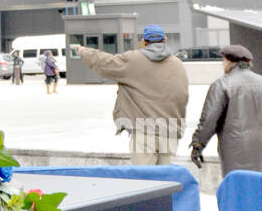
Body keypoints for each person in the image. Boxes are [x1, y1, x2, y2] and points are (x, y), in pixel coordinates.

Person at [75, 24, 188, 164]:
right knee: (166, 179)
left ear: (144, 42)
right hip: (171, 130)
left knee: (145, 180)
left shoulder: (133, 60)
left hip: (144, 131)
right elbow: (182, 96)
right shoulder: (177, 64)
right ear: (165, 40)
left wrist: (84, 51)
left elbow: (106, 62)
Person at [190, 44, 262, 177]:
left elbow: (209, 119)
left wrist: (198, 144)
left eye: (223, 60)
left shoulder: (222, 84)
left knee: (238, 188)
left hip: (236, 151)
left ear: (229, 61)